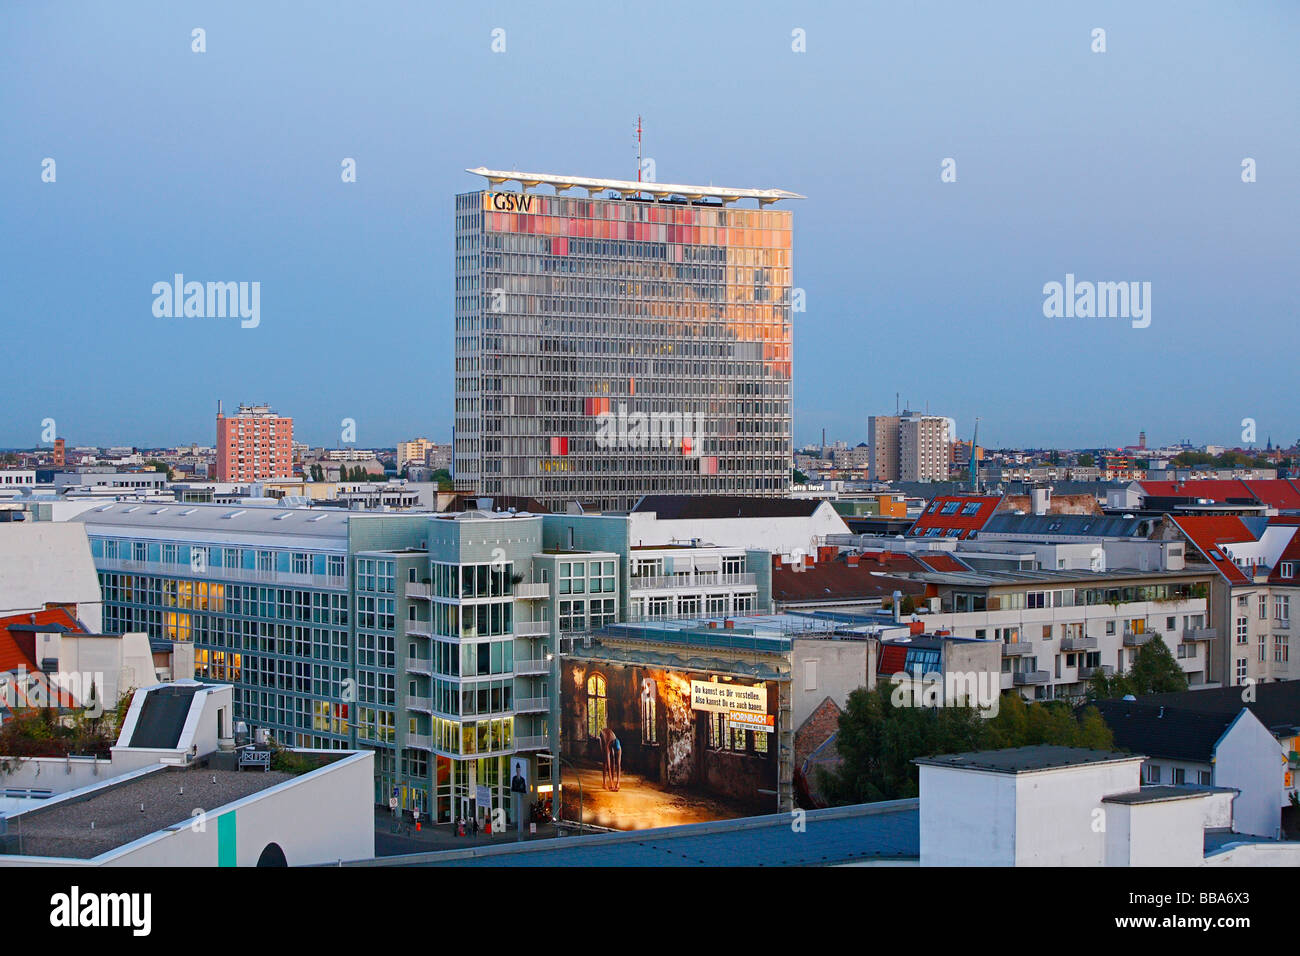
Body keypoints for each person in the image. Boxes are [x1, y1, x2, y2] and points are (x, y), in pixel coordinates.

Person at [597, 726, 622, 791]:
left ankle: (613, 782)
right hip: (603, 736)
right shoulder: (608, 745)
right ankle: (604, 783)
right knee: (605, 761)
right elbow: (609, 767)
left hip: (611, 739)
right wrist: (611, 783)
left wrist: (618, 783)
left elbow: (619, 766)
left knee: (613, 759)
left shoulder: (619, 749)